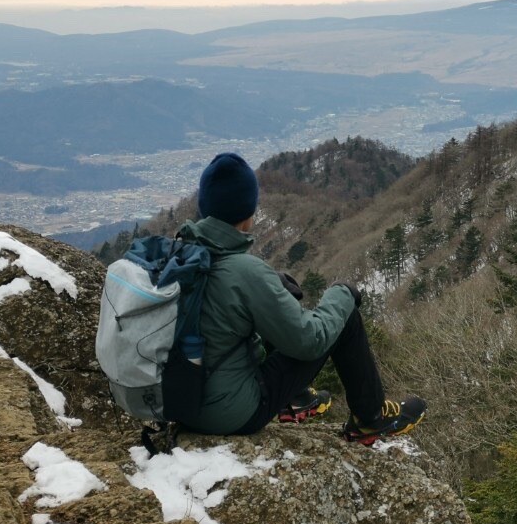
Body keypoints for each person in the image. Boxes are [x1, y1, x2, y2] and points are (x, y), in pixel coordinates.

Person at [181, 151, 426, 444]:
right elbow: (311, 341)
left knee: (279, 288)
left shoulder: (182, 256)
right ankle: (370, 418)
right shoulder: (244, 273)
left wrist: (275, 285)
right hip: (228, 413)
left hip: (179, 400)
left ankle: (295, 398)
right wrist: (343, 294)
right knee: (342, 317)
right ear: (248, 214)